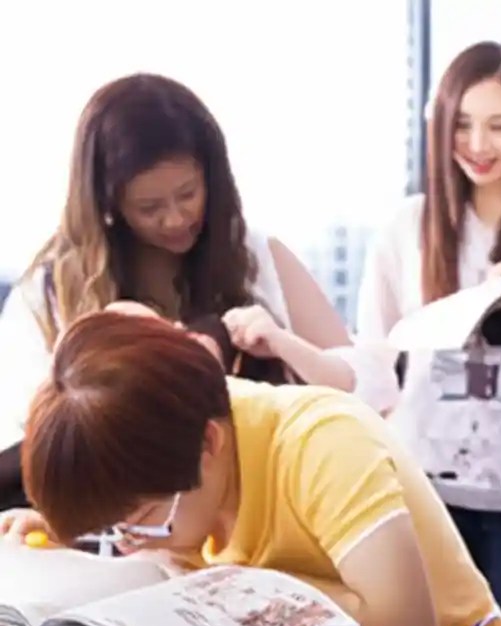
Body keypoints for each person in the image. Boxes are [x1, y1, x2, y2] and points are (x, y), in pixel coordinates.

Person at [0, 311, 501, 626]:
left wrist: (233, 588)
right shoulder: (181, 456)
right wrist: (73, 536)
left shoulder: (322, 442)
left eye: (140, 518)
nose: (131, 540)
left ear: (209, 443)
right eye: (113, 528)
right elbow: (163, 551)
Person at [0, 73, 397, 457]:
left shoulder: (256, 257)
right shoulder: (50, 291)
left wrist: (284, 345)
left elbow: (371, 387)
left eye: (188, 193)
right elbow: (27, 437)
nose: (174, 219)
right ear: (108, 204)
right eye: (149, 207)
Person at [357, 41, 501, 626]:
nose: (478, 144)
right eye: (462, 124)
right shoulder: (408, 227)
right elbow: (374, 360)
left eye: (498, 126)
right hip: (425, 489)